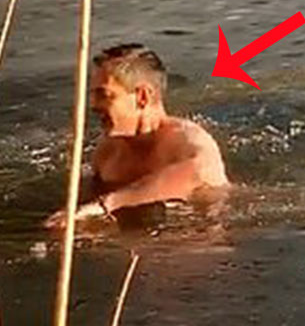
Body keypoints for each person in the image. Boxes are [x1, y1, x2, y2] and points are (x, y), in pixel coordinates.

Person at [45, 43, 229, 228]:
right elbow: (86, 205)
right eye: (92, 95)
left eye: (104, 95)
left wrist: (104, 206)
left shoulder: (189, 144)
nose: (92, 105)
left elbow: (191, 176)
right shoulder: (107, 153)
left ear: (142, 96)